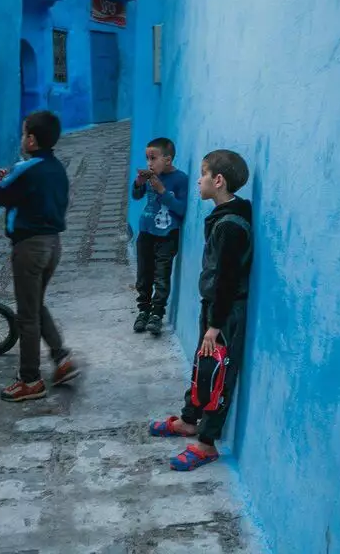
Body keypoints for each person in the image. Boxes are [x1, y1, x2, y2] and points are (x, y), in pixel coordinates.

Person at [148, 149, 253, 471]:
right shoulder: (223, 217)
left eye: (204, 174)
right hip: (214, 310)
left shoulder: (231, 226)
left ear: (218, 181)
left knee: (218, 374)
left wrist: (215, 324)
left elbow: (227, 278)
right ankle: (189, 420)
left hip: (225, 315)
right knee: (202, 367)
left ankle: (206, 443)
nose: (198, 179)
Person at [0, 110, 80, 401]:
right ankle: (61, 358)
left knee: (27, 315)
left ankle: (30, 379)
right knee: (35, 304)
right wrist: (7, 176)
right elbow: (21, 185)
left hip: (29, 248)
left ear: (32, 140)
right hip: (52, 246)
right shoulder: (55, 167)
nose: (22, 138)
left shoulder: (27, 169)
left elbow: (0, 196)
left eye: (24, 134)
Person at [130, 137, 190, 336]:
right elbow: (136, 196)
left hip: (167, 235)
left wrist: (162, 191)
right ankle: (143, 311)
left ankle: (157, 314)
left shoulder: (180, 179)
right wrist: (138, 183)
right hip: (146, 232)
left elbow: (180, 209)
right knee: (143, 274)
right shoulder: (149, 177)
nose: (149, 163)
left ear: (168, 159)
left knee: (161, 276)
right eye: (147, 158)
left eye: (153, 158)